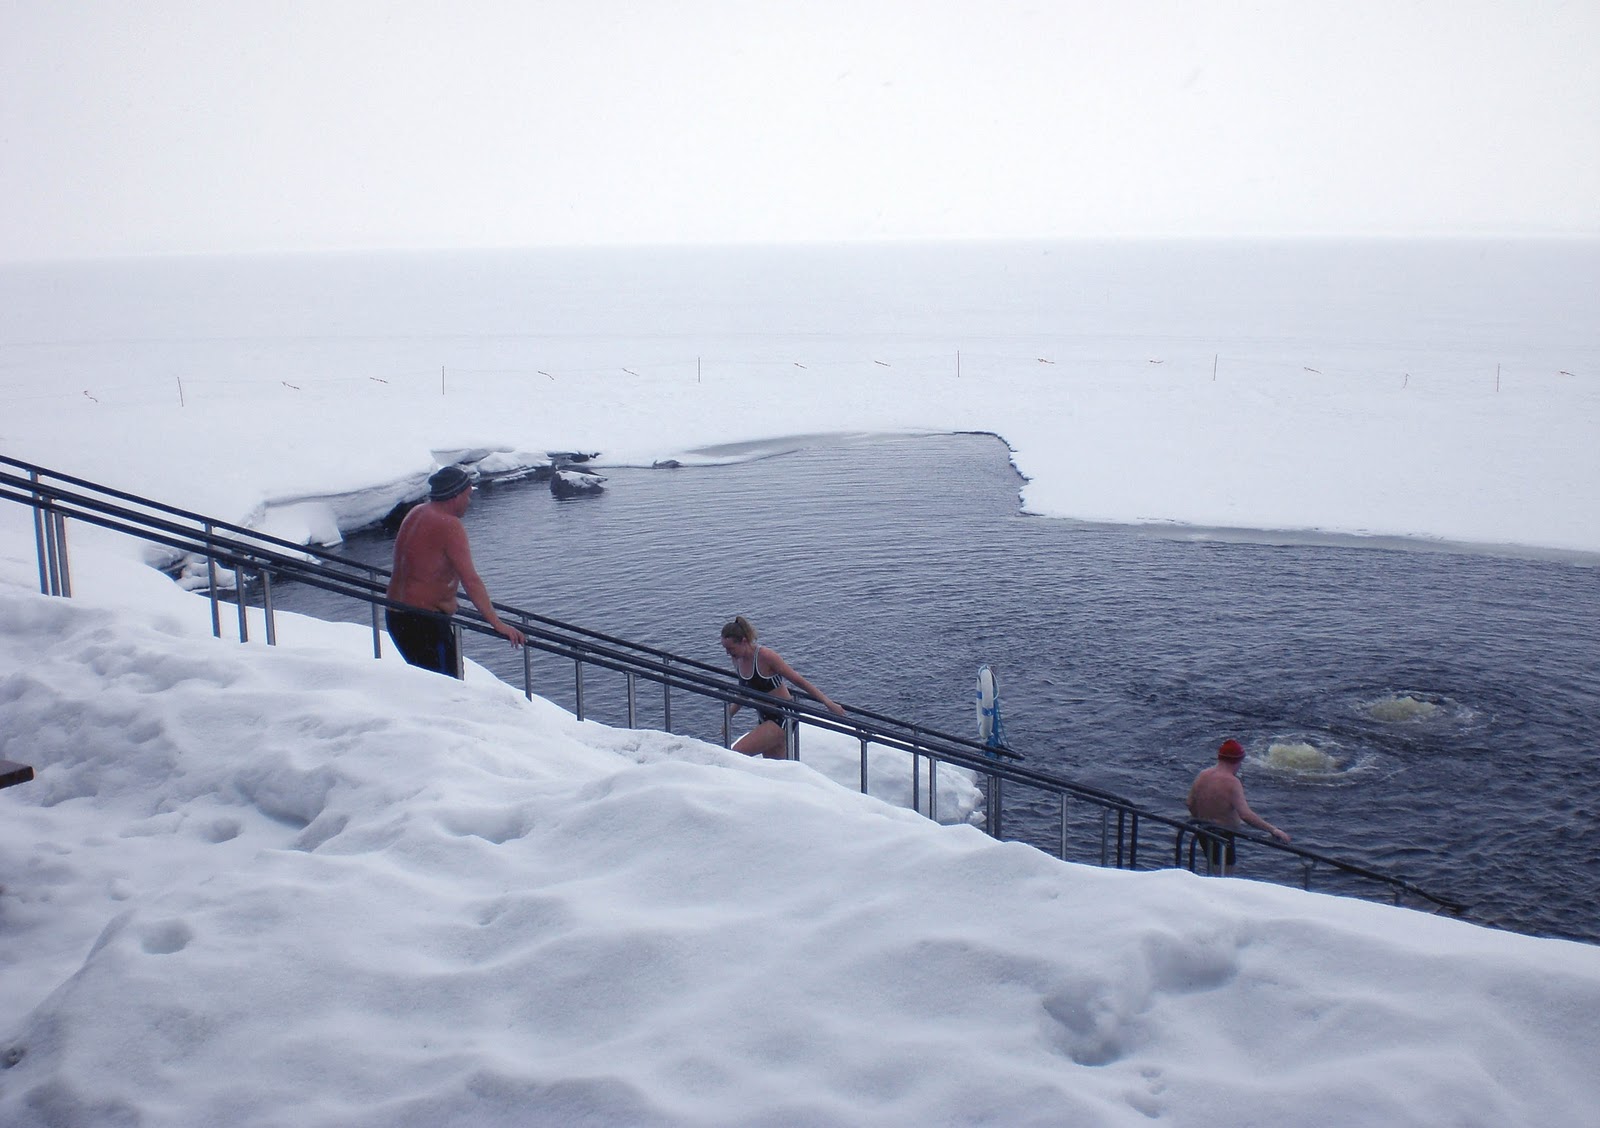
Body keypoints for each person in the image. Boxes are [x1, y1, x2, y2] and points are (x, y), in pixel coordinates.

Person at [385, 465, 525, 677]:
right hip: (422, 623)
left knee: (430, 683)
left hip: (397, 616)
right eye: (467, 496)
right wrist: (497, 623)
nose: (469, 502)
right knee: (445, 689)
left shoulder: (417, 511)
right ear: (455, 495)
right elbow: (470, 580)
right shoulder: (448, 524)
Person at [719, 615, 846, 758]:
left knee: (737, 753)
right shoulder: (737, 659)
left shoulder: (765, 656)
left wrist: (828, 703)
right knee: (774, 769)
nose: (728, 653)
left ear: (743, 641)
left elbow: (798, 680)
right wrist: (728, 717)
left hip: (782, 716)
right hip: (764, 716)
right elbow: (744, 692)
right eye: (725, 648)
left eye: (730, 648)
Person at [1185, 738, 1290, 873]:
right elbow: (1245, 814)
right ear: (1238, 761)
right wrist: (1273, 830)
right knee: (1225, 875)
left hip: (1202, 832)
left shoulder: (1203, 775)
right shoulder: (1232, 782)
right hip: (1222, 836)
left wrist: (1202, 817)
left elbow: (1189, 803)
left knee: (1211, 869)